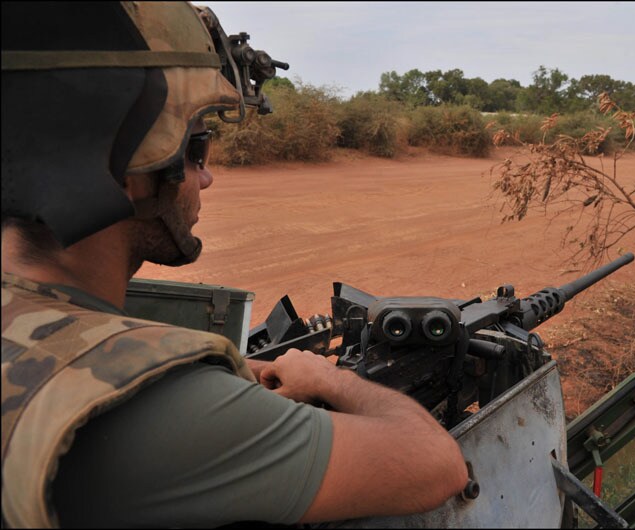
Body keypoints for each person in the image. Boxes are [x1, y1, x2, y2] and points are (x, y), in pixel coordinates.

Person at [1, 2, 468, 527]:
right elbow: (434, 466)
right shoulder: (149, 414)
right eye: (196, 149)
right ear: (126, 172)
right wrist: (330, 380)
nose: (206, 179)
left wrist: (227, 373)